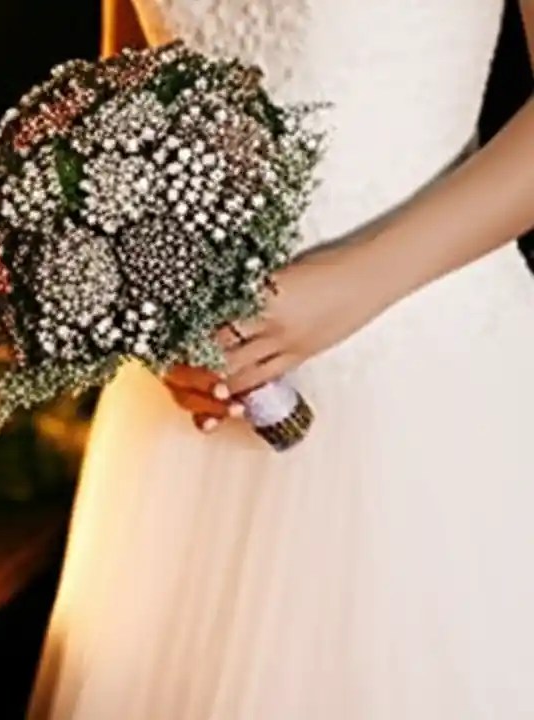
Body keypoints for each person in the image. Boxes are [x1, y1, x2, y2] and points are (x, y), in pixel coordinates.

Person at [29, 0, 534, 718]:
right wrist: (157, 315)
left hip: (424, 387)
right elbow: (123, 101)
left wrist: (357, 282)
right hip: (194, 419)